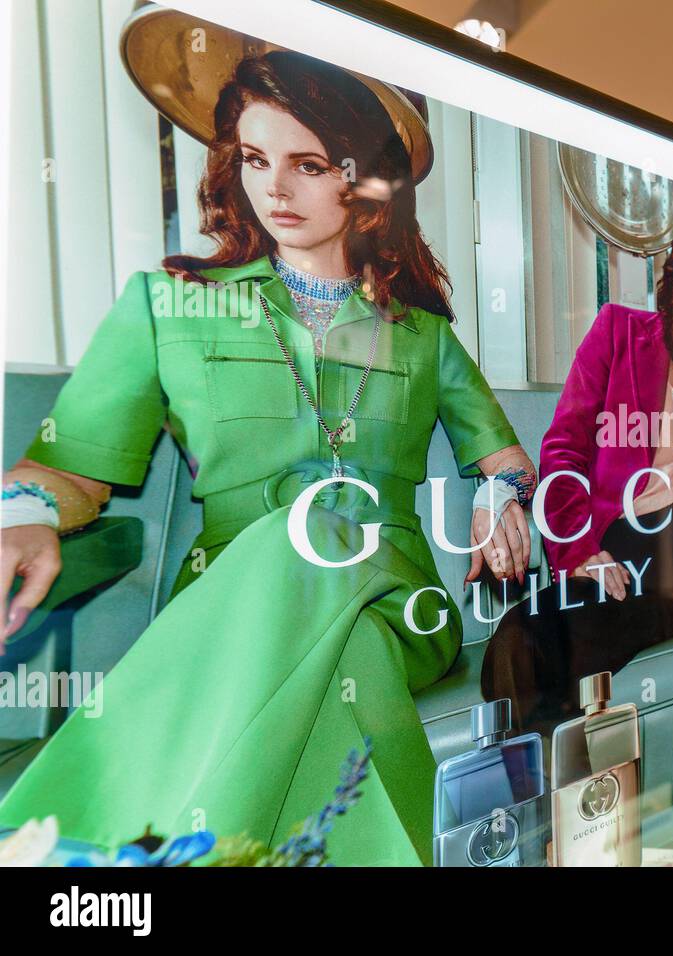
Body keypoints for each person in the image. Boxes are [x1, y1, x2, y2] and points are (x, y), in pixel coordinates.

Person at [0, 28, 534, 866]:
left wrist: (503, 498)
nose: (274, 189)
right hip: (228, 610)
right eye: (254, 158)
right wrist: (25, 514)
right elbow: (71, 464)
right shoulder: (168, 306)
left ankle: (85, 854)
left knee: (325, 554)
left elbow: (499, 453)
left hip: (389, 598)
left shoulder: (424, 337)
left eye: (310, 165)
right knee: (325, 627)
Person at [481, 218, 673, 829]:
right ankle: (560, 836)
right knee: (518, 644)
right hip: (625, 555)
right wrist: (577, 552)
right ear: (669, 273)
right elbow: (564, 449)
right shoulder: (617, 332)